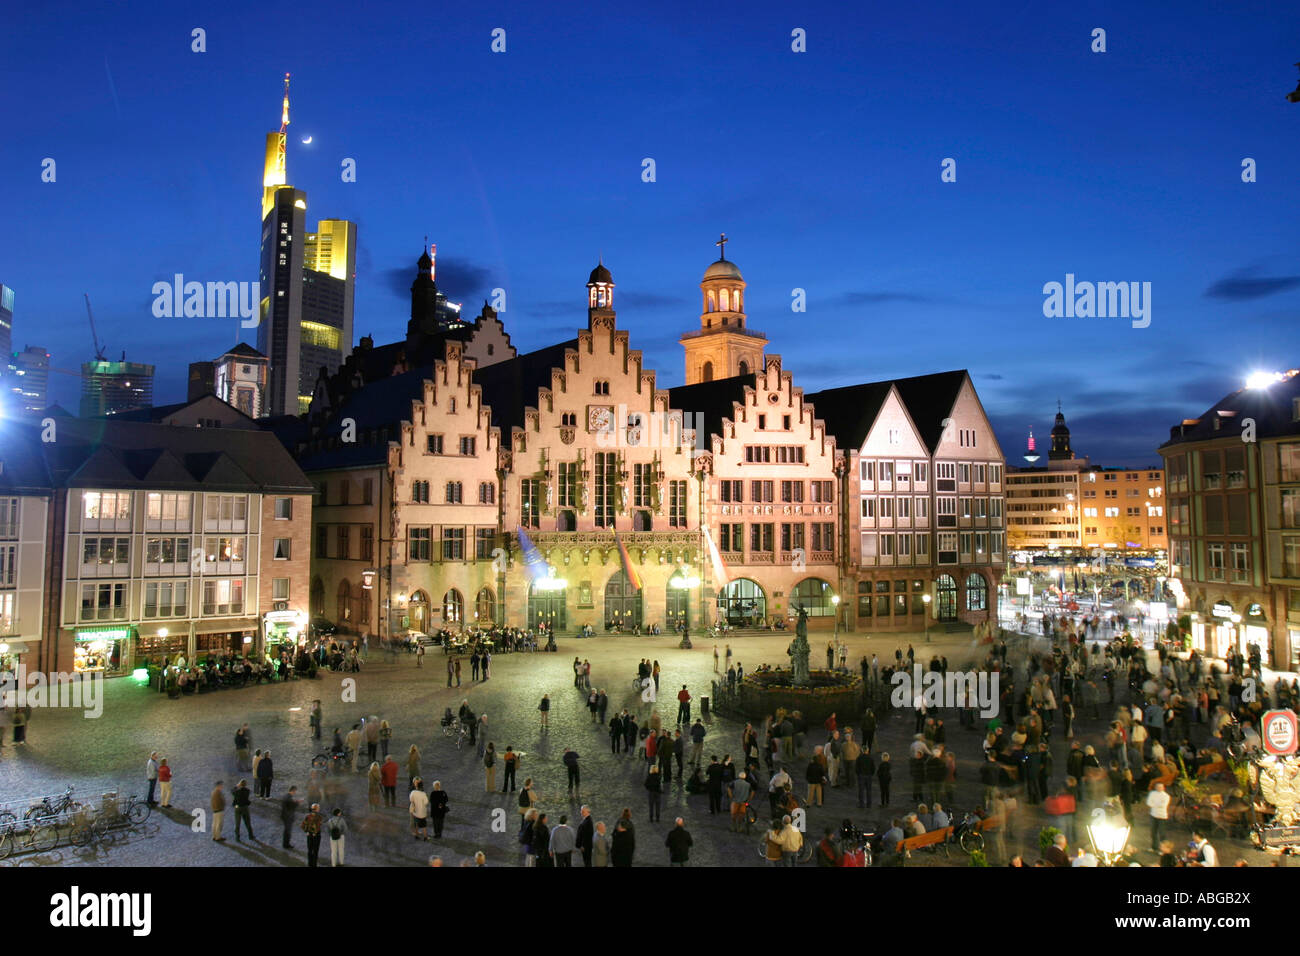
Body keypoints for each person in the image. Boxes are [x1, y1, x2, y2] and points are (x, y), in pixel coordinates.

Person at [1146, 782, 1170, 852]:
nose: (1159, 788)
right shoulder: (1152, 793)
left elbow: (1163, 805)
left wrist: (1154, 804)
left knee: (1162, 833)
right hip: (1153, 815)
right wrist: (1156, 804)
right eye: (1158, 787)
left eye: (1160, 787)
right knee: (1153, 832)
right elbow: (1149, 803)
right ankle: (1154, 847)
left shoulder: (1166, 796)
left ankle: (1163, 849)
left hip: (1162, 816)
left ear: (1163, 788)